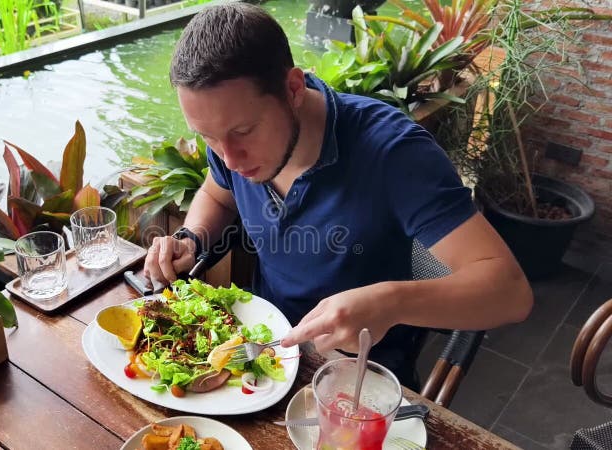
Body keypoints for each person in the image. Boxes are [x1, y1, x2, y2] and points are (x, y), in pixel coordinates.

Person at [143, 2, 533, 388]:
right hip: (261, 352)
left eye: (244, 132)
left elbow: (510, 292)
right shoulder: (228, 137)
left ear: (293, 88)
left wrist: (390, 302)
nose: (230, 157)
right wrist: (191, 238)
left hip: (359, 377)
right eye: (209, 137)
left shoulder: (393, 152)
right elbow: (218, 195)